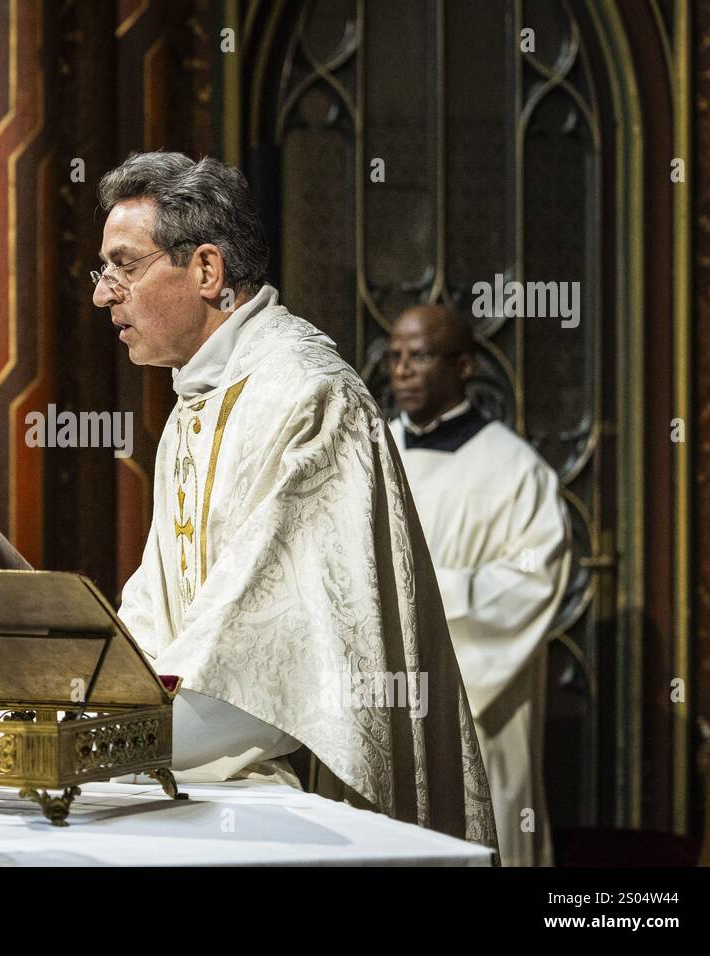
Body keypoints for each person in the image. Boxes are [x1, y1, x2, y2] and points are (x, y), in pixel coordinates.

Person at [96, 150, 496, 851]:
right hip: (198, 768)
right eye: (102, 270)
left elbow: (273, 659)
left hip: (295, 790)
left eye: (123, 266)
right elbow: (161, 609)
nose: (104, 293)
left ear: (207, 271)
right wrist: (89, 692)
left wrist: (106, 737)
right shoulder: (198, 398)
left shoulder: (307, 395)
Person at [388, 304, 570, 866]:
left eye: (419, 356)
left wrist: (415, 592)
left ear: (464, 366)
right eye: (394, 357)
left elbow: (529, 583)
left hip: (475, 711)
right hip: (378, 702)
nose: (402, 370)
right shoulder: (373, 454)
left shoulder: (516, 471)